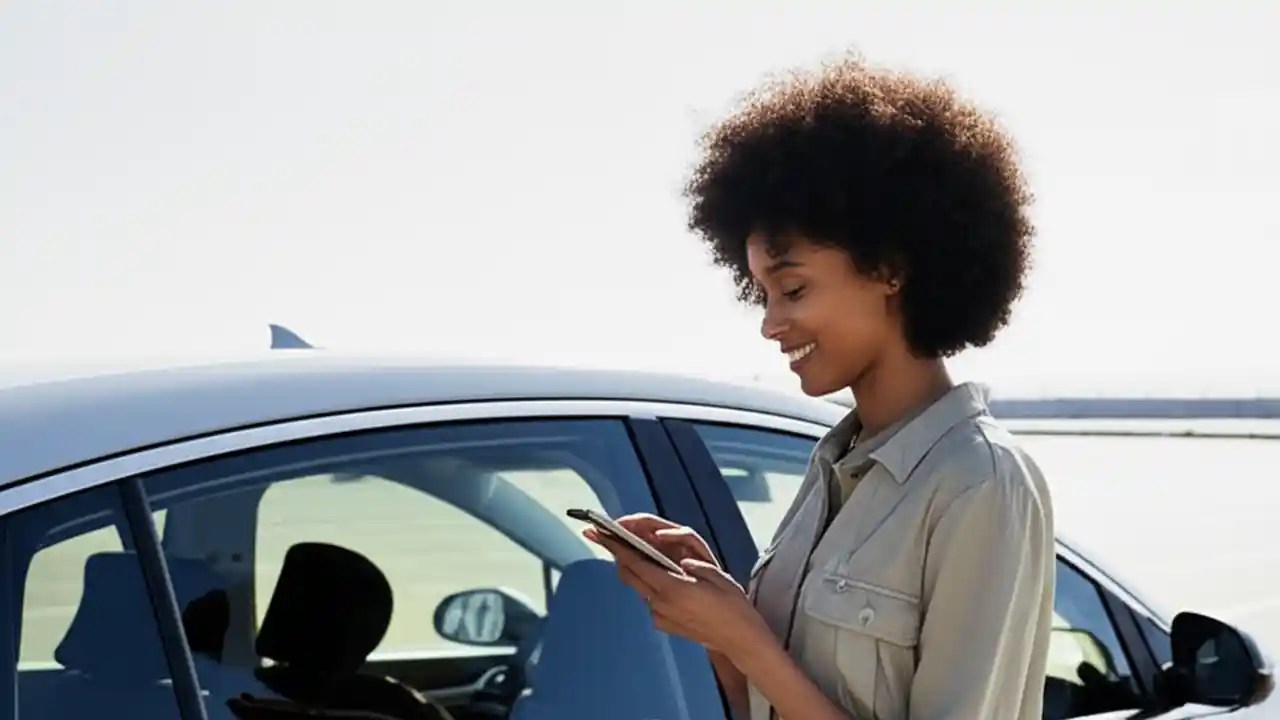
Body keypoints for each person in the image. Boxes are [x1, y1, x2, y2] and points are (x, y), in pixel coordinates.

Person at [585, 55, 1055, 720]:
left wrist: (746, 641)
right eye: (762, 293)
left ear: (889, 267)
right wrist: (716, 621)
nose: (771, 324)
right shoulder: (830, 471)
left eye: (794, 289)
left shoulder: (981, 483)